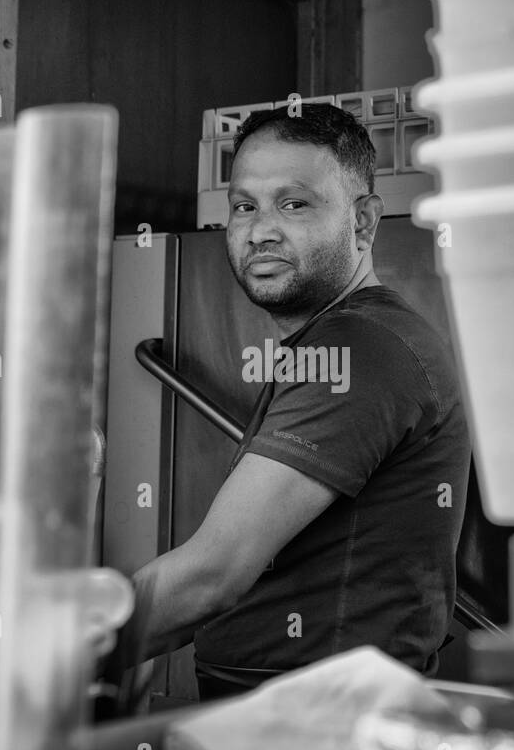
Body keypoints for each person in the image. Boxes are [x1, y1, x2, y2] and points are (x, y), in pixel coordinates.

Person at [113, 103, 471, 700]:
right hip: (291, 713)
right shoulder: (336, 344)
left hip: (319, 727)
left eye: (295, 203)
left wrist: (53, 653)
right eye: (245, 206)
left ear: (363, 223)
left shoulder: (363, 349)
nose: (260, 230)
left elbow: (213, 574)